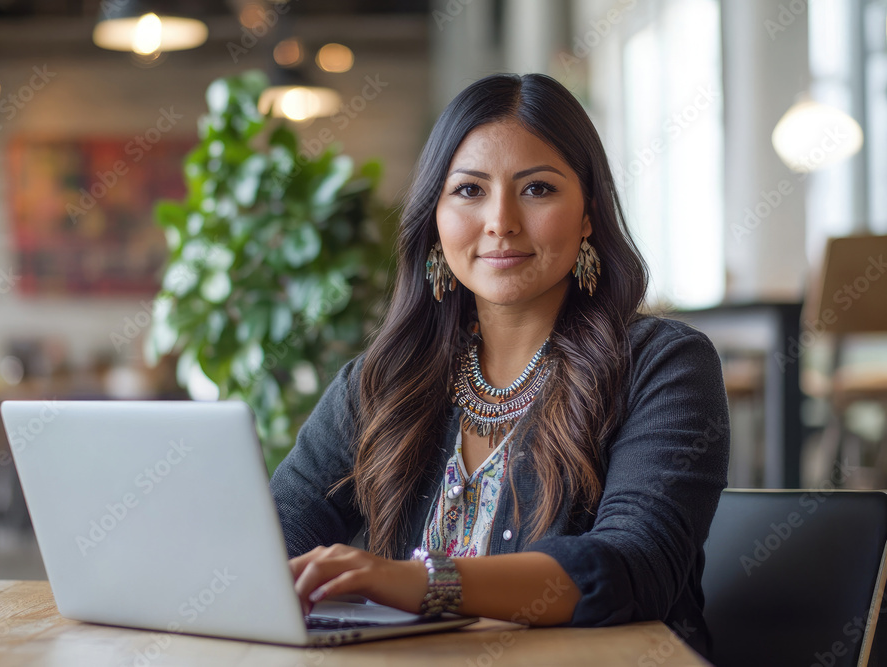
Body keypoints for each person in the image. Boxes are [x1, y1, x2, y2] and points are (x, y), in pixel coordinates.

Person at [269, 72, 730, 660]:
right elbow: (271, 544)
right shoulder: (383, 381)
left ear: (588, 212)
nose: (501, 222)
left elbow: (632, 569)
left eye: (537, 189)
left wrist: (414, 580)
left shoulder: (663, 364)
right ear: (434, 217)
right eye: (469, 191)